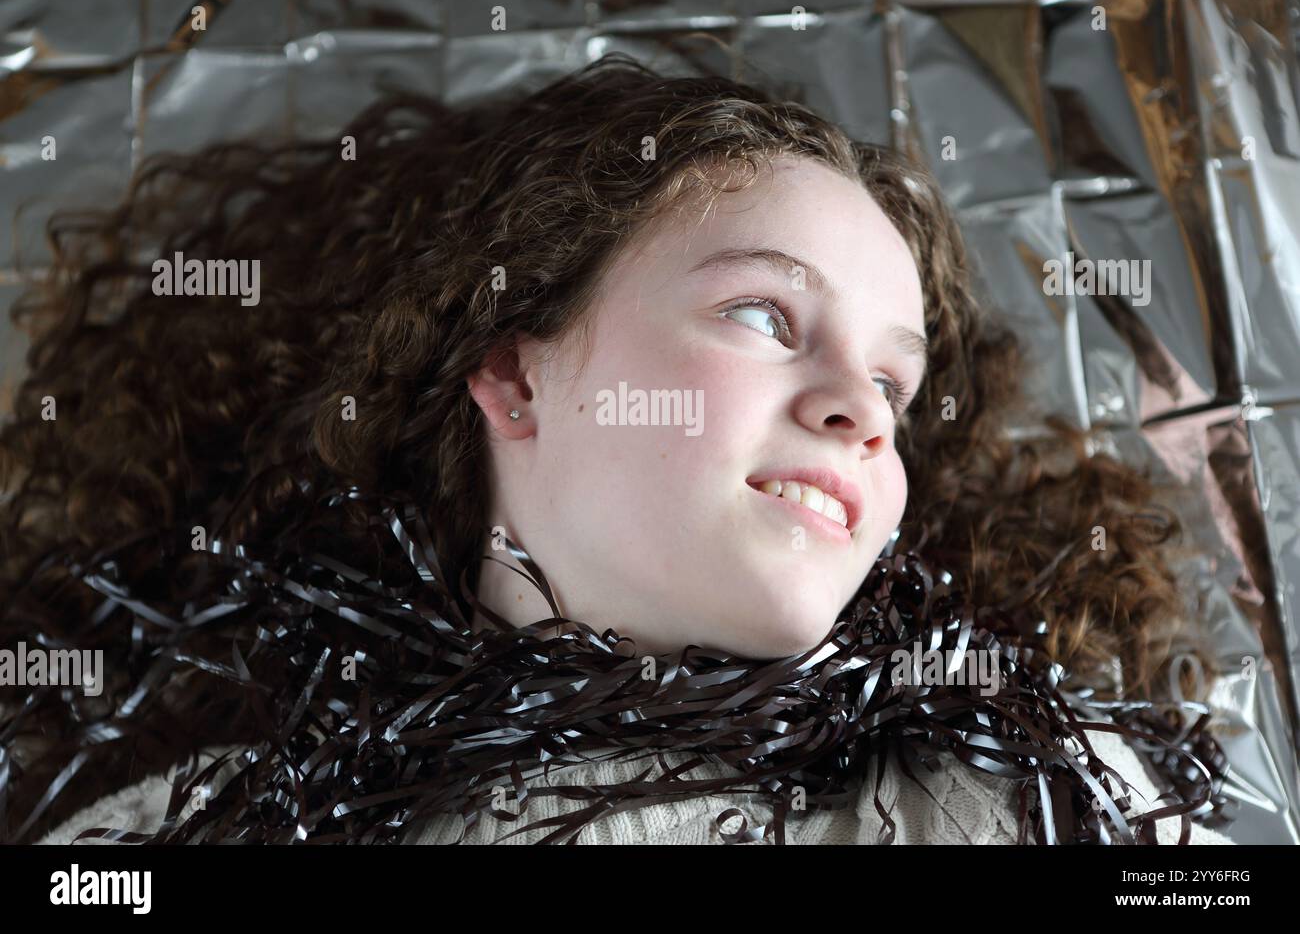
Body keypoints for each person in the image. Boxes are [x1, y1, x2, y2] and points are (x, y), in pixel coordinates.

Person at [1, 54, 1232, 844]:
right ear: (512, 367)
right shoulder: (181, 834)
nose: (857, 406)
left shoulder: (1051, 793)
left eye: (894, 383)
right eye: (763, 314)